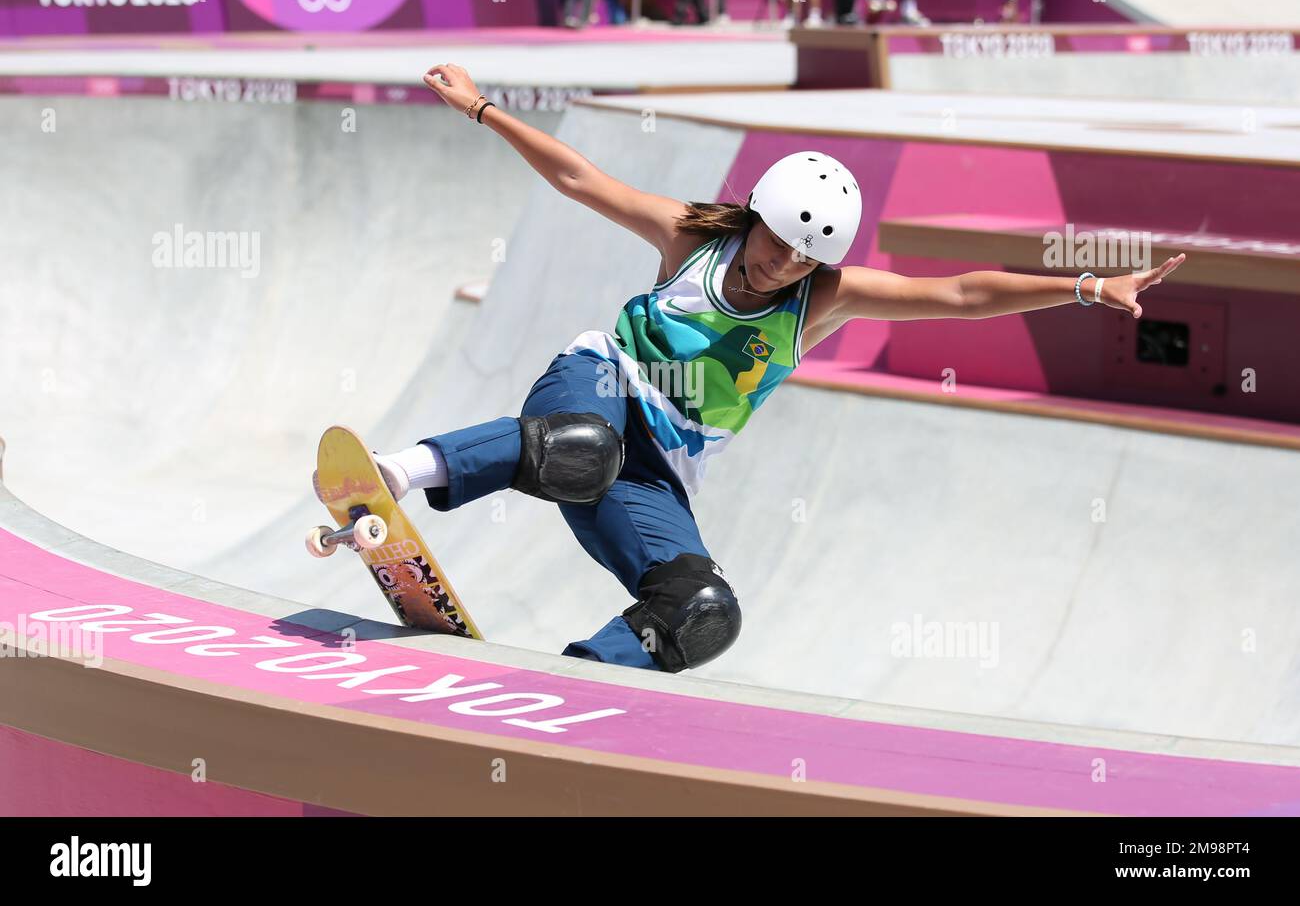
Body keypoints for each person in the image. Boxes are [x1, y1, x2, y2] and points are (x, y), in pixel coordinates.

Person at [367, 61, 1186, 674]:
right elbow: (580, 177)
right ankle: (400, 472)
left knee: (701, 611)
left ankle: (576, 685)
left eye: (802, 262)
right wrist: (481, 108)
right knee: (581, 443)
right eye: (774, 246)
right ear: (753, 215)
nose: (780, 269)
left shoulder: (824, 298)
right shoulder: (691, 235)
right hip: (601, 384)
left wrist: (1086, 285)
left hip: (660, 471)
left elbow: (963, 293)